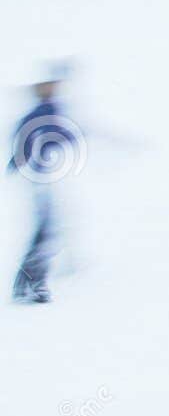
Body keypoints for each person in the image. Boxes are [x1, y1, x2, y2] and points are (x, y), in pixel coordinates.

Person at [9, 71, 84, 302]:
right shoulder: (43, 113)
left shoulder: (47, 112)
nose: (53, 89)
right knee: (47, 233)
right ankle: (31, 285)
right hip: (41, 180)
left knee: (47, 231)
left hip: (45, 179)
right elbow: (32, 142)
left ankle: (27, 285)